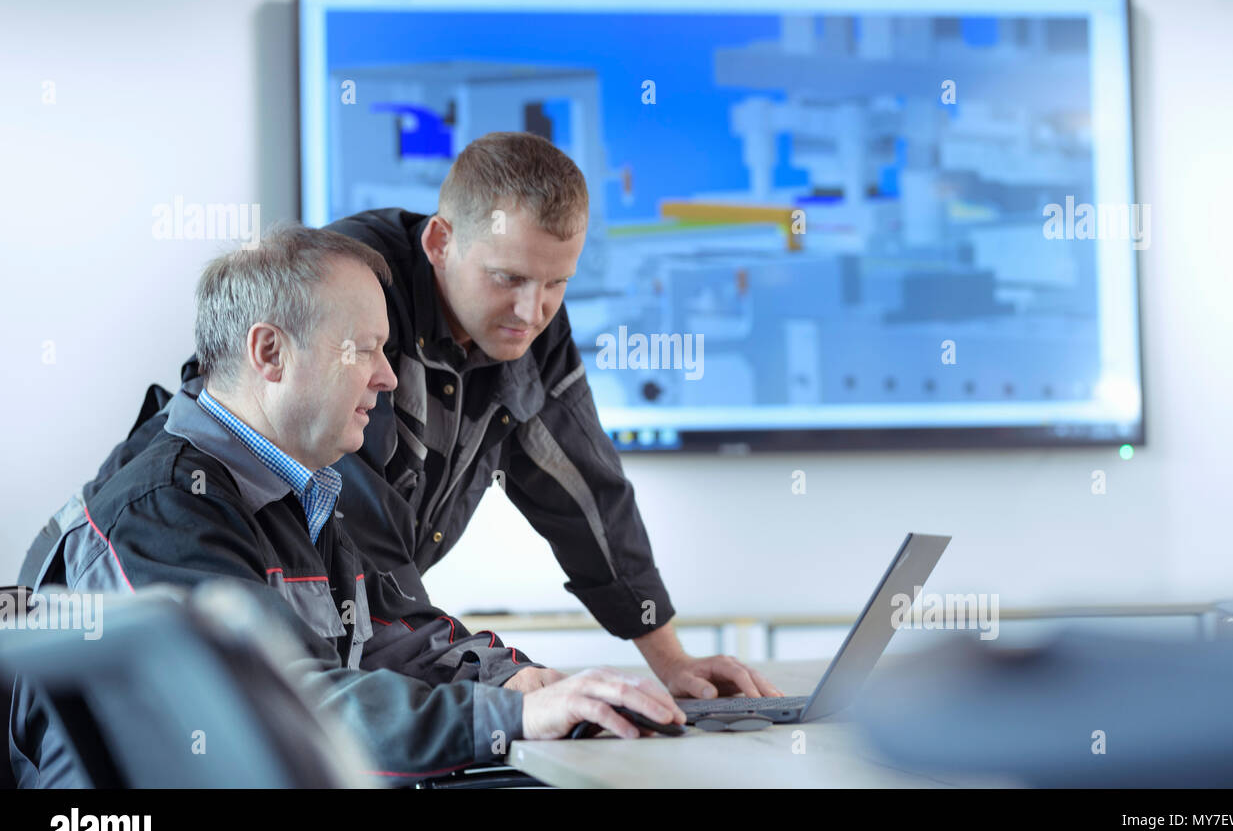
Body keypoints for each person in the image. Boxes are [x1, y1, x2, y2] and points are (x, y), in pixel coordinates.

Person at [23, 130, 780, 701]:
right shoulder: (345, 308)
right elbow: (329, 658)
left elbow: (583, 494)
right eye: (510, 278)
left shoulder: (525, 323)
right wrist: (509, 703)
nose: (533, 312)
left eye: (555, 286)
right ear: (441, 242)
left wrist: (659, 662)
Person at [10, 225, 684, 787]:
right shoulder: (164, 509)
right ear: (270, 352)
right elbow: (276, 708)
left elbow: (396, 632)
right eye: (364, 350)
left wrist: (526, 685)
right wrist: (508, 720)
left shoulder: (303, 493)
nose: (389, 378)